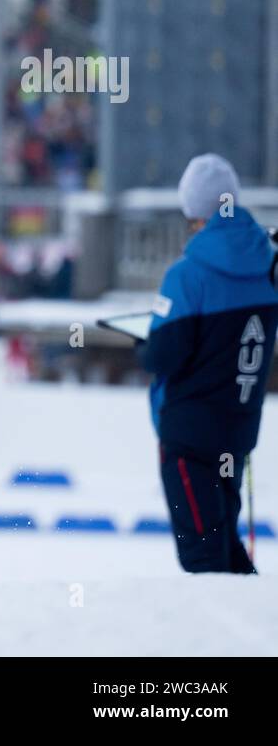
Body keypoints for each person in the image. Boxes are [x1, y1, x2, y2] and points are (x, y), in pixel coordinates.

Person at [139, 154, 278, 573]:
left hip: (188, 438)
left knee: (203, 558)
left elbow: (163, 355)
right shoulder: (268, 266)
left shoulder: (189, 274)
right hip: (238, 429)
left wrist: (144, 346)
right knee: (223, 545)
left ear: (196, 215)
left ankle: (220, 636)